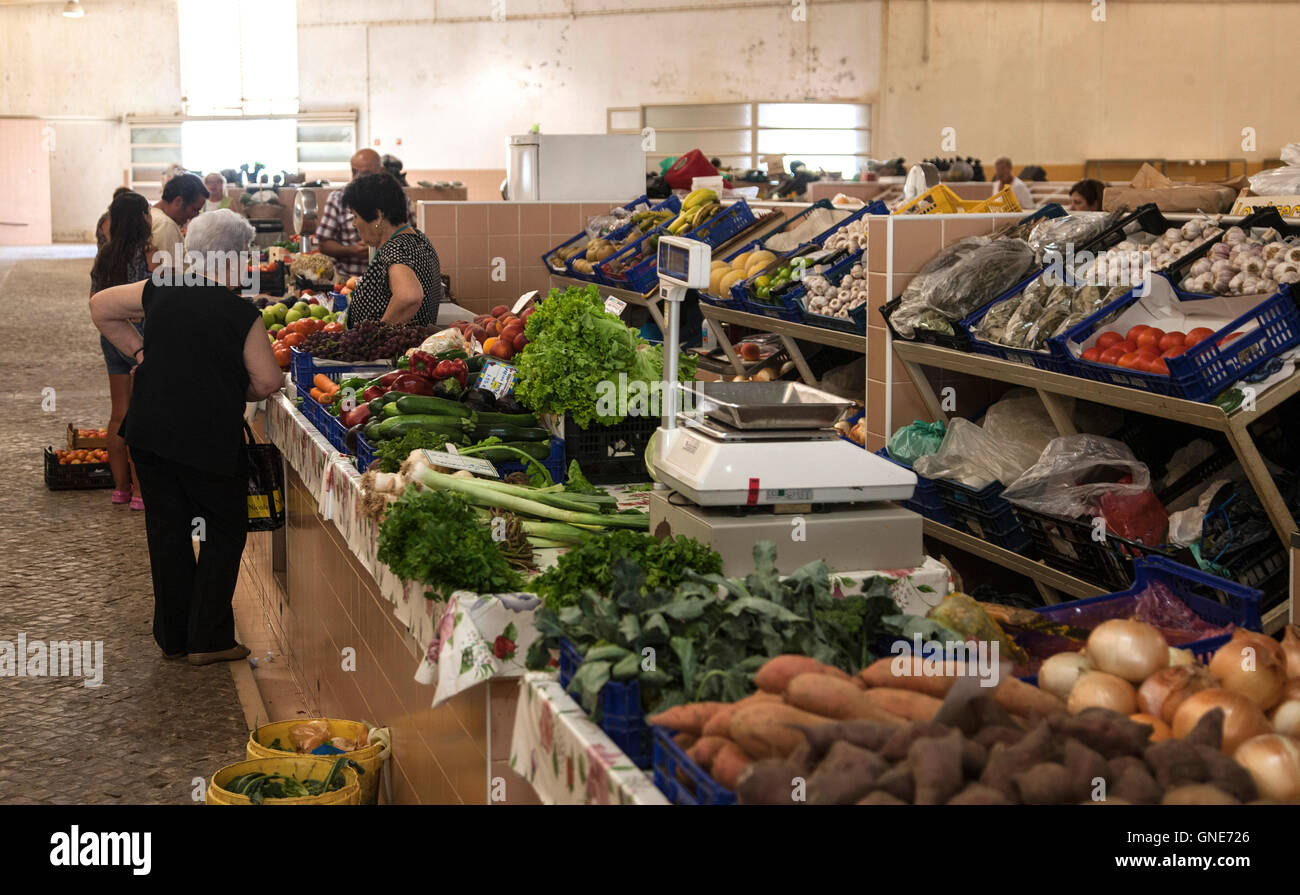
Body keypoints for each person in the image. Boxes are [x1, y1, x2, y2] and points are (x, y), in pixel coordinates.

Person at [89, 209, 283, 665]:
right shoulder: (240, 313)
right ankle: (210, 640)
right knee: (223, 532)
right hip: (209, 441)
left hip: (151, 434)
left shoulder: (160, 289)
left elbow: (101, 307)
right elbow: (268, 381)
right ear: (235, 259)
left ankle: (174, 638)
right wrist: (233, 385)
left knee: (167, 533)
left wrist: (140, 351)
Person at [90, 190, 153, 510]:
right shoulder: (148, 254)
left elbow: (94, 299)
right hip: (140, 339)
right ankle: (142, 492)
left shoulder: (105, 254)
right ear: (141, 217)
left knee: (119, 412)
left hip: (111, 335)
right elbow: (156, 300)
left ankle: (120, 489)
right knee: (142, 415)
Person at [341, 172, 442, 325]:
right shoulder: (419, 239)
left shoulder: (395, 248)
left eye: (355, 216)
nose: (354, 224)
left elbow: (409, 296)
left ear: (378, 215)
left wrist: (377, 336)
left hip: (392, 348)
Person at [316, 148, 416, 281]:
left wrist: (383, 247)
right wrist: (353, 250)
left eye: (365, 173)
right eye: (354, 171)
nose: (354, 223)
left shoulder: (397, 198)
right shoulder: (337, 198)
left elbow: (410, 235)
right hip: (348, 278)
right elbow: (323, 243)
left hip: (387, 279)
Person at [150, 172, 209, 269]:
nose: (195, 216)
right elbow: (171, 277)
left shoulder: (154, 216)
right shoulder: (165, 225)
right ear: (178, 201)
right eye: (195, 210)